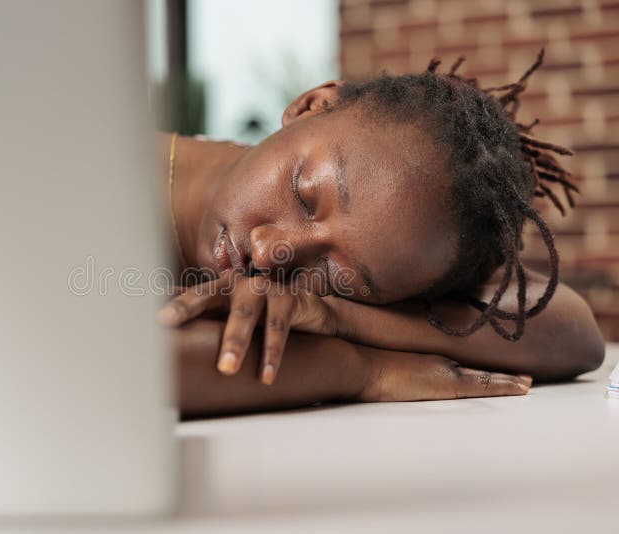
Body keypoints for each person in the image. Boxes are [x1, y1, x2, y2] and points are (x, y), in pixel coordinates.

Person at [155, 51, 605, 418]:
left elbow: (573, 330)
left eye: (338, 273)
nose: (272, 252)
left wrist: (338, 317)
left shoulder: (357, 277)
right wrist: (359, 370)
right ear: (313, 104)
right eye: (303, 194)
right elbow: (115, 366)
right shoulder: (100, 175)